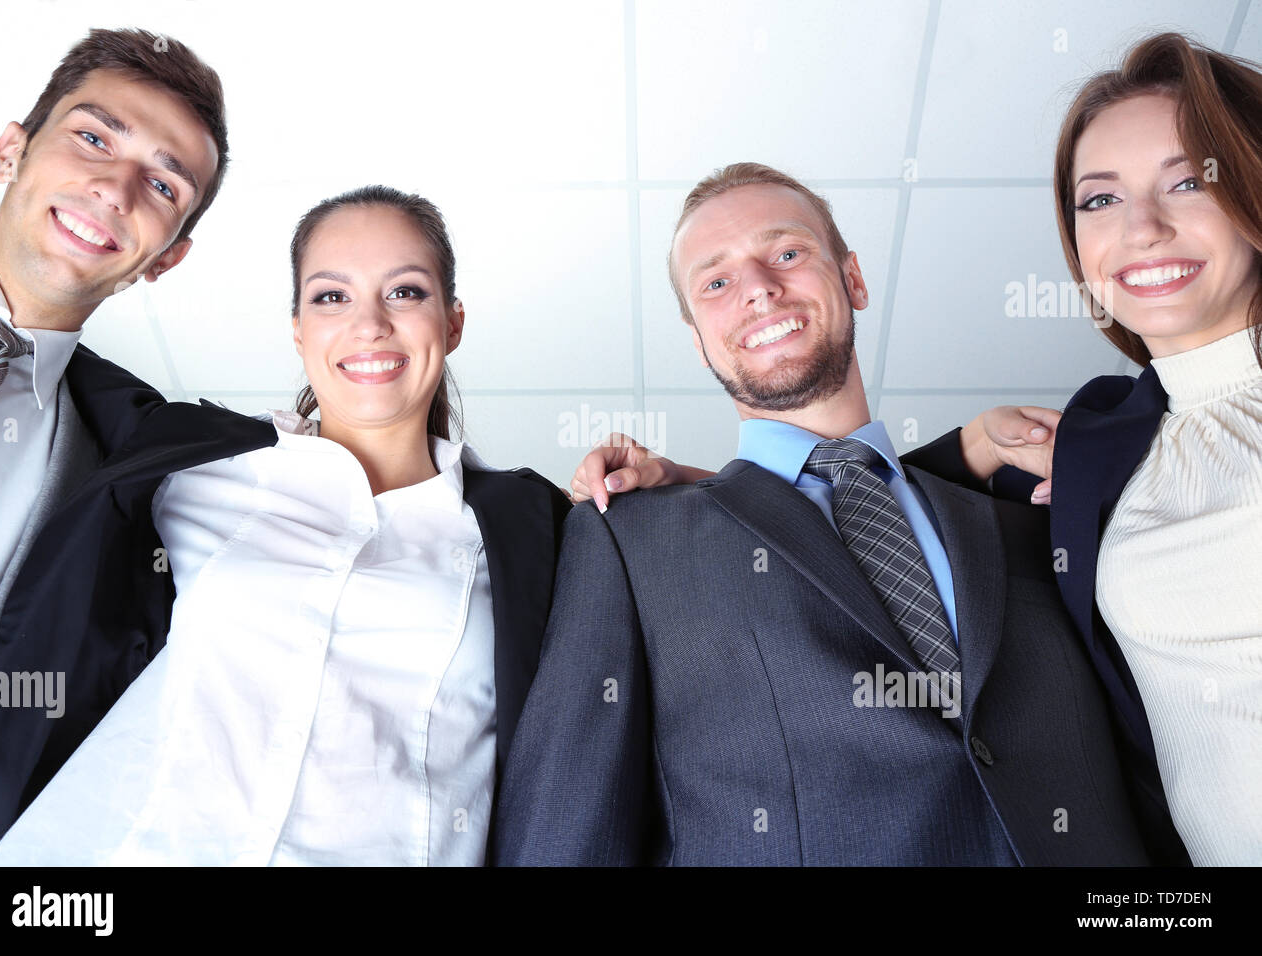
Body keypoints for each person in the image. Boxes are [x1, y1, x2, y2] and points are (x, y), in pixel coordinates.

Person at [492, 162, 1151, 866]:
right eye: (715, 282)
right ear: (699, 340)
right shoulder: (627, 538)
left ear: (854, 280)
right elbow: (566, 824)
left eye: (787, 253)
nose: (759, 289)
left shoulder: (1024, 509)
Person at [0, 185, 575, 865]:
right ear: (298, 328)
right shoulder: (195, 467)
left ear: (453, 322)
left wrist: (668, 487)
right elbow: (22, 343)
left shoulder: (532, 533)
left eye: (406, 292)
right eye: (331, 296)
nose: (369, 323)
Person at [888, 33, 1262, 867]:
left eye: (1188, 181)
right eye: (1100, 201)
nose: (1143, 228)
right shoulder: (1103, 441)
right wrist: (695, 486)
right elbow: (865, 512)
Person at [0, 27, 228, 864]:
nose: (114, 187)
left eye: (161, 183)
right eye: (92, 137)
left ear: (166, 258)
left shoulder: (136, 461)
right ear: (11, 150)